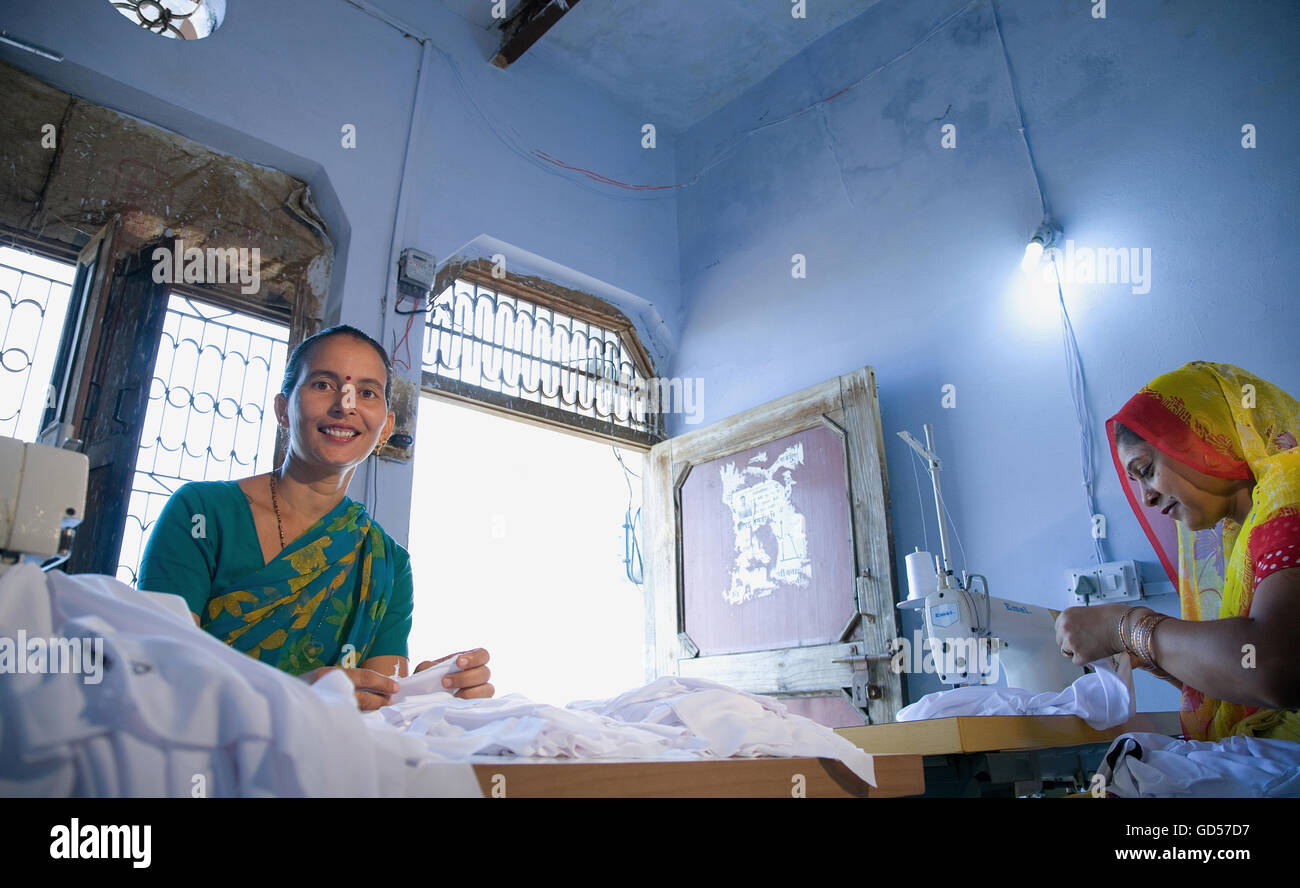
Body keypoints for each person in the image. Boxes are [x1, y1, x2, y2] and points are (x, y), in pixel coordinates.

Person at [137, 324, 493, 710]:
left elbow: (376, 708)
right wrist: (293, 695)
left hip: (323, 765)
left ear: (386, 427)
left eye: (368, 392)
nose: (346, 405)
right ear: (282, 409)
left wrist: (428, 692)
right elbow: (154, 671)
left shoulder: (387, 564)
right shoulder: (201, 513)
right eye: (323, 385)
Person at [1054, 361, 1300, 742]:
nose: (1146, 498)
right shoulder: (1242, 536)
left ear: (1202, 442)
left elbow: (1273, 667)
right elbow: (1242, 680)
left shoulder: (1290, 490)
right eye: (1135, 481)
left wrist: (1128, 627)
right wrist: (1153, 654)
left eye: (1147, 469)